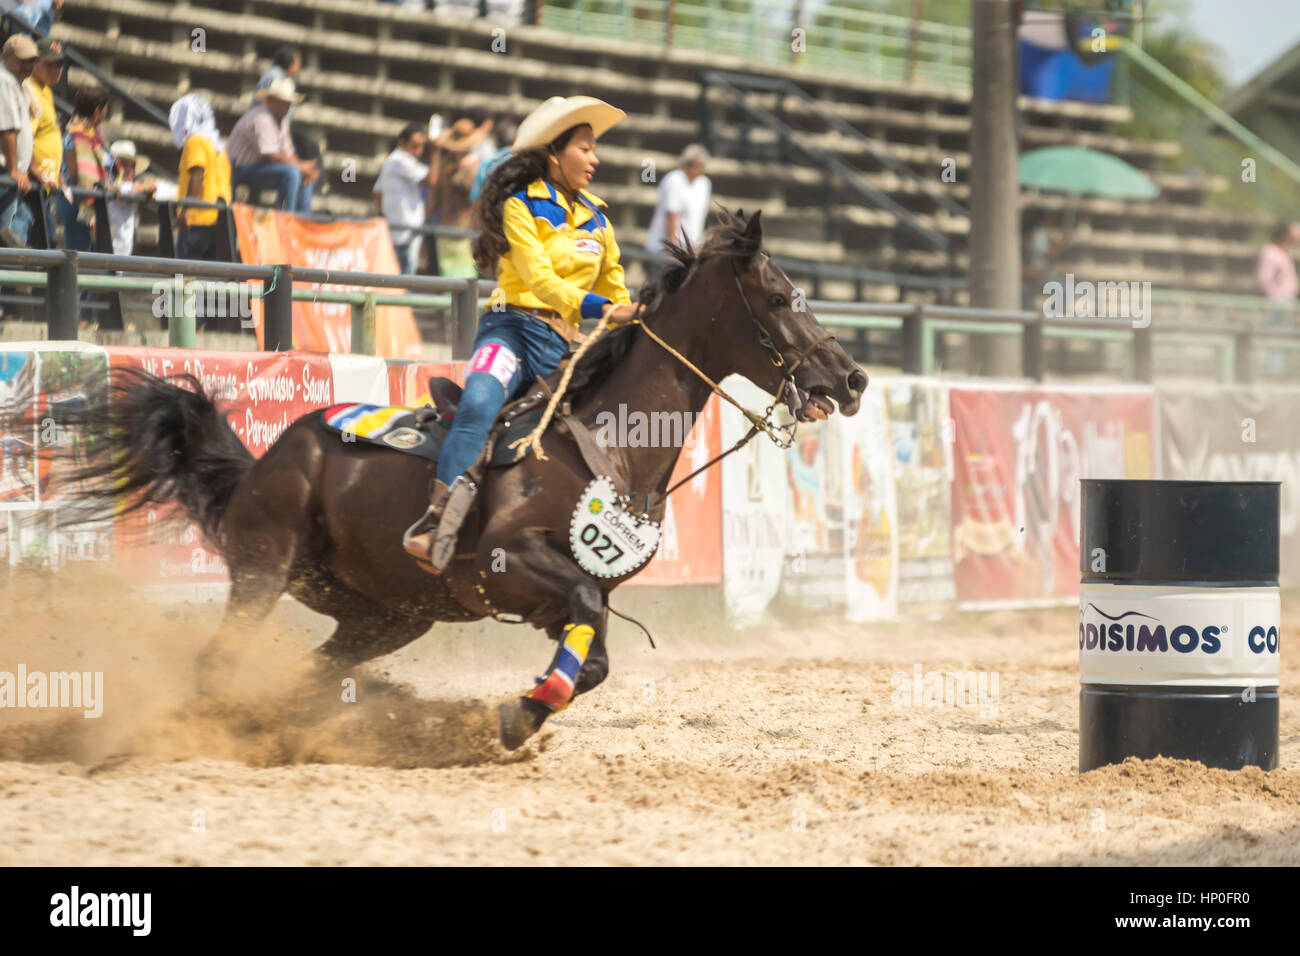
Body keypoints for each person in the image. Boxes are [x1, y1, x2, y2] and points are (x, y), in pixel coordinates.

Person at [403, 95, 637, 572]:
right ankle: (439, 521)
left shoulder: (600, 220)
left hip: (565, 347)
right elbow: (540, 281)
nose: (595, 159)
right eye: (585, 148)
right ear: (554, 154)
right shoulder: (520, 207)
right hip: (509, 331)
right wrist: (607, 309)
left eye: (594, 149)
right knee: (478, 405)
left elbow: (617, 289)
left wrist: (633, 314)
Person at [227, 77, 315, 214]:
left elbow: (288, 153)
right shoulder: (261, 117)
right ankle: (285, 218)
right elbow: (272, 156)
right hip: (238, 169)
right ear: (272, 100)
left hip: (258, 167)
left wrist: (303, 168)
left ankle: (303, 220)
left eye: (288, 103)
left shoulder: (282, 121)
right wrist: (301, 166)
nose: (287, 106)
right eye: (284, 102)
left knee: (304, 177)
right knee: (291, 173)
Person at [169, 92, 232, 260]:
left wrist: (186, 210)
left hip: (197, 220)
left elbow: (197, 174)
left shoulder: (195, 142)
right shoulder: (218, 146)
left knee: (187, 272)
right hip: (218, 221)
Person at [373, 122, 438, 275]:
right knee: (405, 279)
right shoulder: (399, 160)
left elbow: (377, 192)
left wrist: (383, 216)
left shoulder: (391, 161)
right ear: (401, 142)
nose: (419, 152)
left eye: (422, 147)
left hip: (398, 230)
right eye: (415, 146)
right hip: (405, 233)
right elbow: (432, 179)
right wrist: (435, 151)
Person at [60, 85, 112, 252]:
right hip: (80, 205)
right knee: (80, 256)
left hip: (96, 203)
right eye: (105, 109)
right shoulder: (74, 136)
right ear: (97, 111)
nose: (106, 113)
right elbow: (74, 173)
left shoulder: (95, 138)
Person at [22, 36, 62, 247]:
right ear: (35, 62)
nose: (57, 69)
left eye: (60, 64)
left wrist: (57, 173)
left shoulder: (46, 91)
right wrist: (34, 168)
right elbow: (25, 135)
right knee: (42, 243)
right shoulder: (31, 90)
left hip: (45, 183)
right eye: (50, 64)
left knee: (46, 244)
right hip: (32, 182)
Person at [644, 143, 711, 260]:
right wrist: (672, 251)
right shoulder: (675, 180)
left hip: (688, 252)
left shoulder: (704, 184)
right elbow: (671, 217)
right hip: (664, 250)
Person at [0, 34, 36, 246]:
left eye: (32, 60)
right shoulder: (4, 80)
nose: (28, 66)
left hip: (11, 175)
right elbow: (6, 128)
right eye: (23, 60)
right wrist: (14, 169)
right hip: (5, 173)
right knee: (4, 240)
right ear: (5, 56)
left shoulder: (15, 82)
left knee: (11, 234)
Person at [106, 140, 154, 256]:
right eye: (122, 164)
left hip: (123, 252)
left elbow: (152, 188)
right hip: (111, 252)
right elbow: (134, 189)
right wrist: (146, 186)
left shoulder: (121, 186)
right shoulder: (114, 186)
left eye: (132, 166)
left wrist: (147, 188)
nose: (128, 169)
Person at [468, 115, 517, 202]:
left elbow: (475, 198)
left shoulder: (485, 164)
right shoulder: (520, 162)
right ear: (515, 139)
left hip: (488, 208)